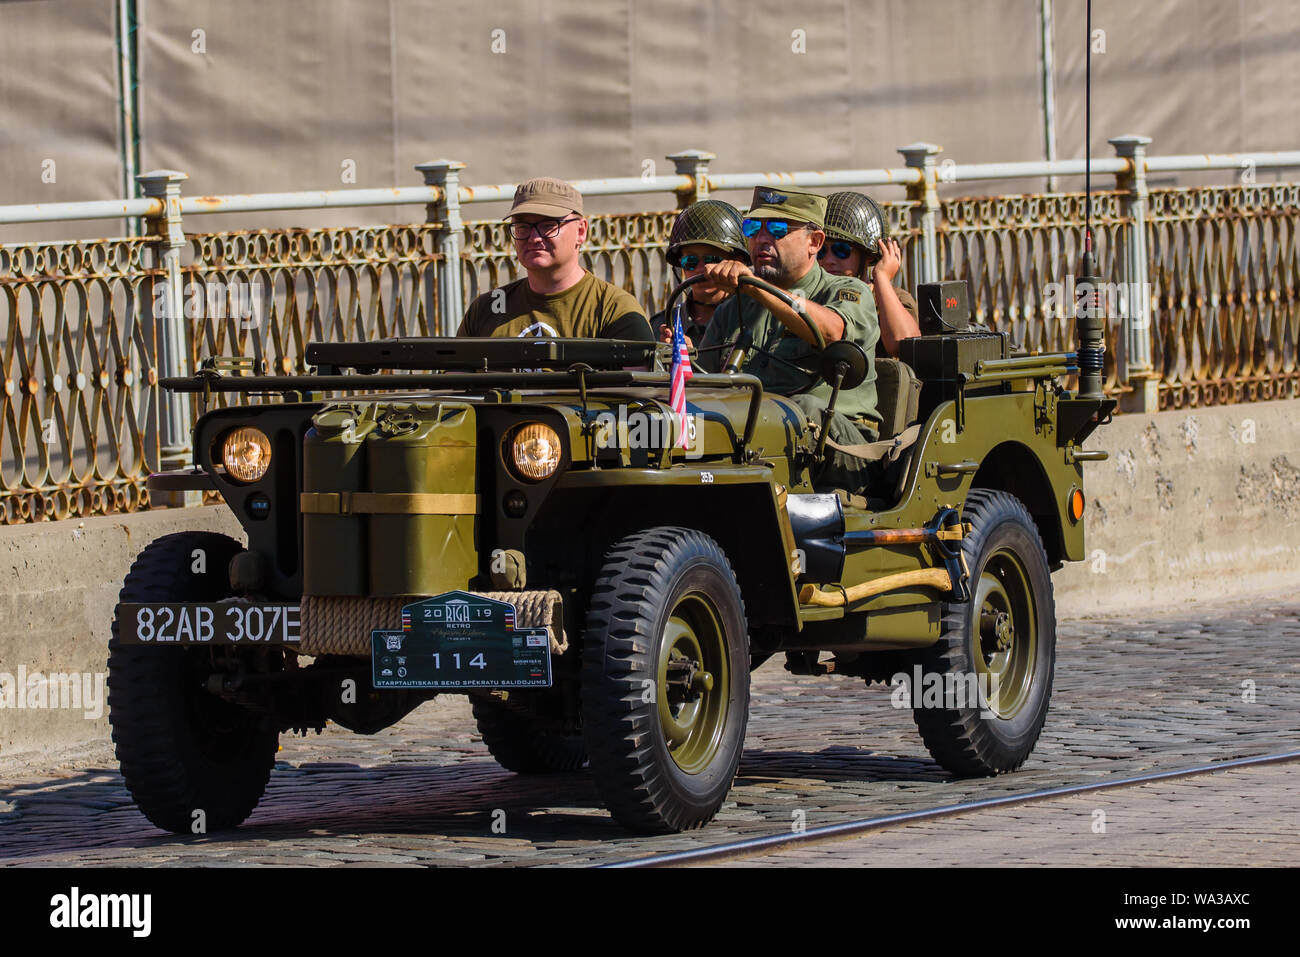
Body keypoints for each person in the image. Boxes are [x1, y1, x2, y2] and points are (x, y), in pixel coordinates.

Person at [697, 186, 881, 492]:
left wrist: (756, 287)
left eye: (778, 229)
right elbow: (701, 385)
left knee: (801, 408)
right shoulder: (734, 308)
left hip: (842, 453)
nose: (762, 239)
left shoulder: (846, 291)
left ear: (814, 242)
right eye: (753, 228)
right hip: (756, 445)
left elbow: (832, 332)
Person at [458, 177, 653, 340]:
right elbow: (456, 373)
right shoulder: (486, 309)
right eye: (522, 227)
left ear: (581, 231)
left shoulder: (614, 310)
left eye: (548, 226)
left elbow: (639, 375)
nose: (534, 238)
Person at [821, 191, 921, 357]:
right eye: (821, 250)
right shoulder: (810, 294)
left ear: (867, 255)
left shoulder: (891, 299)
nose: (828, 260)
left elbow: (902, 345)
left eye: (841, 250)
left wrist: (882, 278)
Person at [650, 200, 750, 346]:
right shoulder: (662, 325)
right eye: (690, 261)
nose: (701, 269)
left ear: (737, 262)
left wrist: (693, 357)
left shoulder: (751, 319)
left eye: (713, 259)